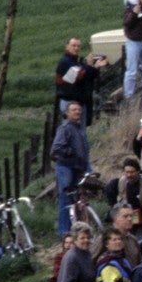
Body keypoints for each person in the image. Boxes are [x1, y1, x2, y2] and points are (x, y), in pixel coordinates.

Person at [51, 100, 92, 237]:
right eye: (74, 110)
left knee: (75, 199)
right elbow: (56, 148)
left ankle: (74, 230)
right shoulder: (65, 128)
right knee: (66, 198)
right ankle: (64, 232)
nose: (77, 112)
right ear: (67, 113)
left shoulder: (79, 129)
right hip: (66, 167)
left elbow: (84, 151)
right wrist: (72, 153)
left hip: (77, 168)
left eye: (79, 110)